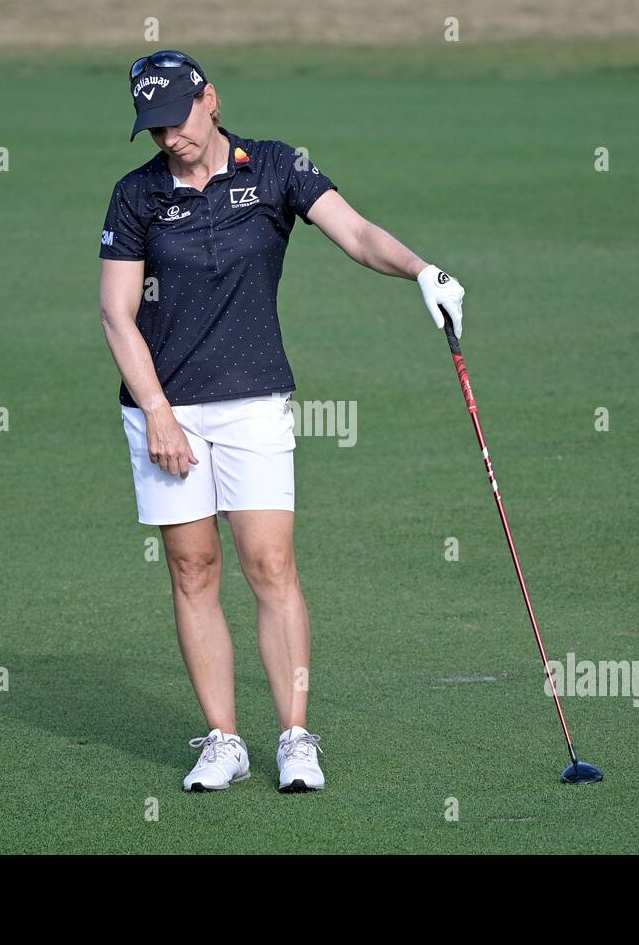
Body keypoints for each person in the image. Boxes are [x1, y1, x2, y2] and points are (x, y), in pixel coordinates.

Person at [98, 50, 465, 793]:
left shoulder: (273, 168)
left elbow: (357, 235)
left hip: (253, 397)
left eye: (175, 121)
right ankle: (224, 739)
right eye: (153, 128)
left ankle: (295, 736)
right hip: (165, 410)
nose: (167, 138)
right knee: (193, 569)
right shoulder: (136, 196)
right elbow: (116, 312)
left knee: (270, 564)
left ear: (211, 100)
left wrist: (423, 271)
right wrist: (159, 414)